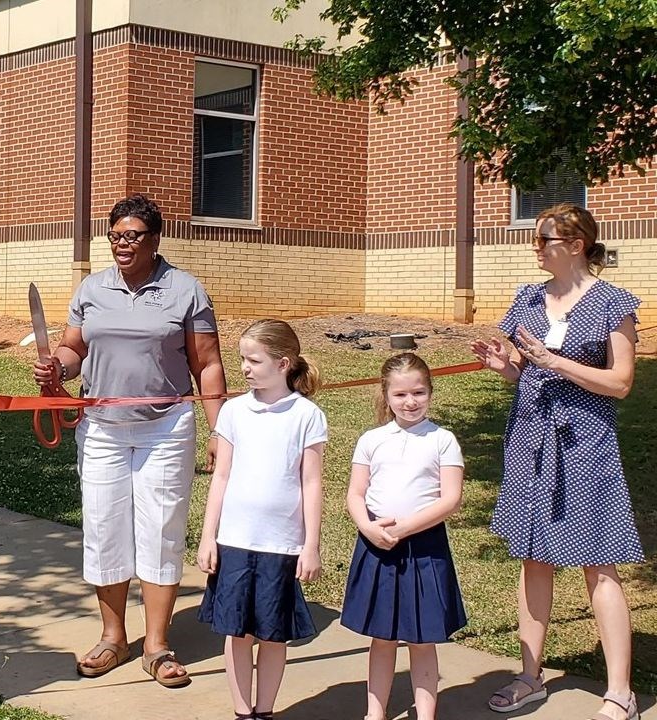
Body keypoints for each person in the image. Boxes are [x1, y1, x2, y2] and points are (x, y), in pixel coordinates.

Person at [33, 194, 227, 687]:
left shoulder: (185, 290)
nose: (122, 244)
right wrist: (58, 367)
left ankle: (158, 645)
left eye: (132, 235)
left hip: (166, 426)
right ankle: (113, 637)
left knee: (161, 528)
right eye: (115, 235)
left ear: (155, 239)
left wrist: (220, 428)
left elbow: (206, 363)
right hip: (100, 427)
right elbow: (74, 347)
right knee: (104, 528)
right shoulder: (92, 288)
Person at [472, 203, 641, 720]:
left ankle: (620, 693)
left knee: (599, 565)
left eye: (544, 238)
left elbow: (621, 382)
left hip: (585, 444)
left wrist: (555, 363)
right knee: (534, 558)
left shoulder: (614, 304)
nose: (536, 246)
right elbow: (521, 371)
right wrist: (505, 366)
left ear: (574, 244)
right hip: (530, 439)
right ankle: (529, 676)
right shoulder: (527, 297)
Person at [196, 319, 326, 718]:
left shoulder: (306, 415)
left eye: (254, 360)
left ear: (283, 363)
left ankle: (265, 710)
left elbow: (311, 483)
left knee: (273, 634)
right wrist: (208, 536)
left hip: (281, 545)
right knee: (237, 633)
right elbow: (221, 475)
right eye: (242, 360)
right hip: (234, 541)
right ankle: (241, 711)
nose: (245, 368)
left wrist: (310, 546)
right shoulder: (234, 411)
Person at [340, 352, 467, 720]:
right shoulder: (371, 439)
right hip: (377, 545)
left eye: (419, 392)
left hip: (425, 547)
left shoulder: (443, 440)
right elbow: (355, 494)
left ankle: (426, 715)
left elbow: (452, 498)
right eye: (400, 395)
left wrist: (406, 528)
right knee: (381, 638)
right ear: (386, 395)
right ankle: (374, 713)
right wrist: (368, 527)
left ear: (430, 392)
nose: (410, 401)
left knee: (422, 638)